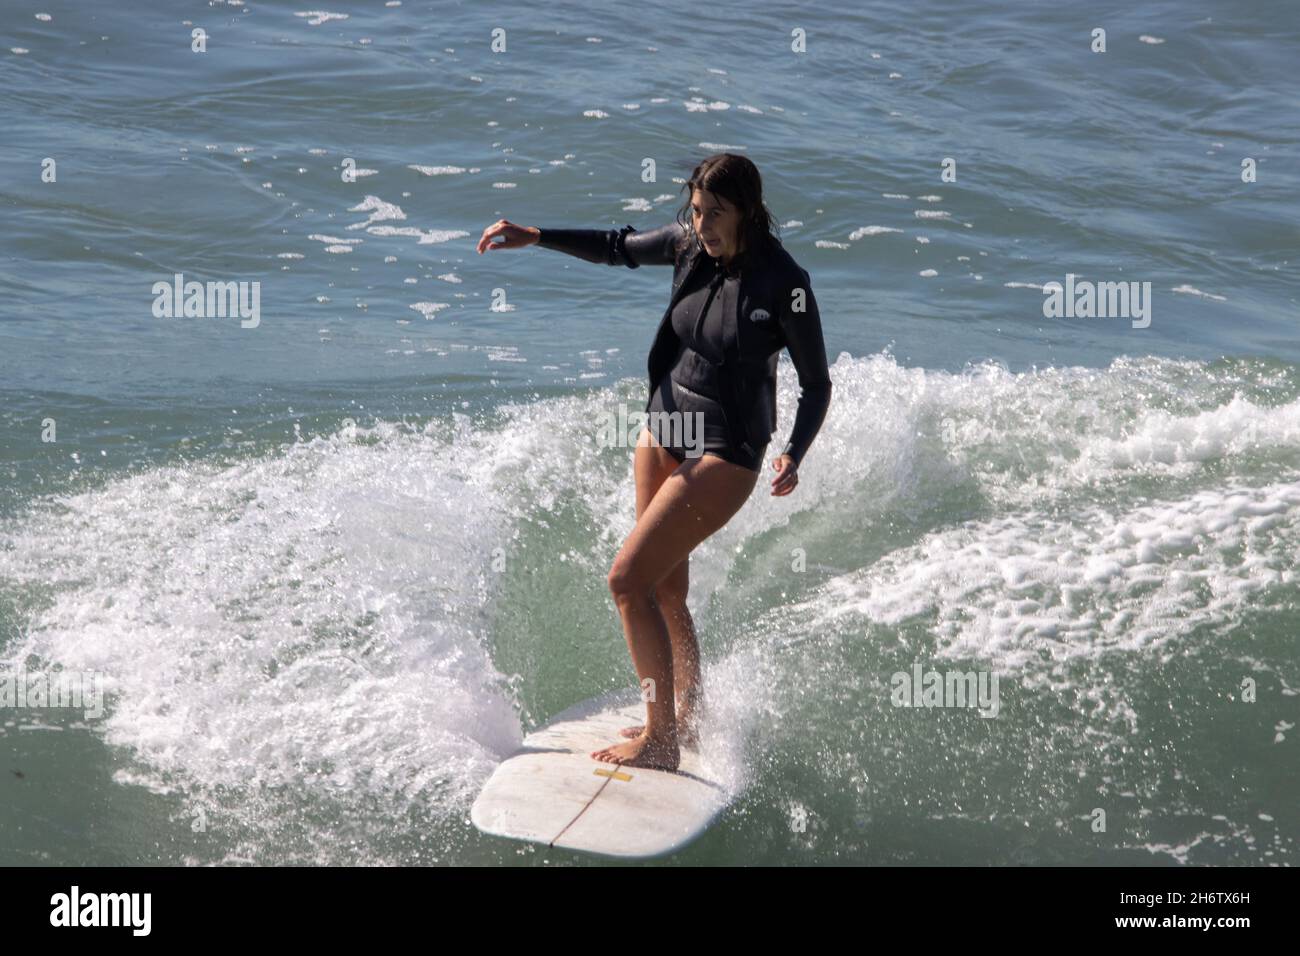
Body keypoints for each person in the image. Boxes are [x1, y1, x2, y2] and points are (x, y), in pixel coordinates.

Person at [476, 153, 833, 770]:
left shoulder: (786, 284)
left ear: (748, 210)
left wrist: (794, 452)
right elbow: (618, 247)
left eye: (716, 214)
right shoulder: (689, 247)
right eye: (696, 212)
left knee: (626, 580)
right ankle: (687, 713)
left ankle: (660, 738)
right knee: (666, 589)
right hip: (666, 425)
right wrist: (537, 237)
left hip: (728, 448)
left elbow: (817, 382)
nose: (703, 225)